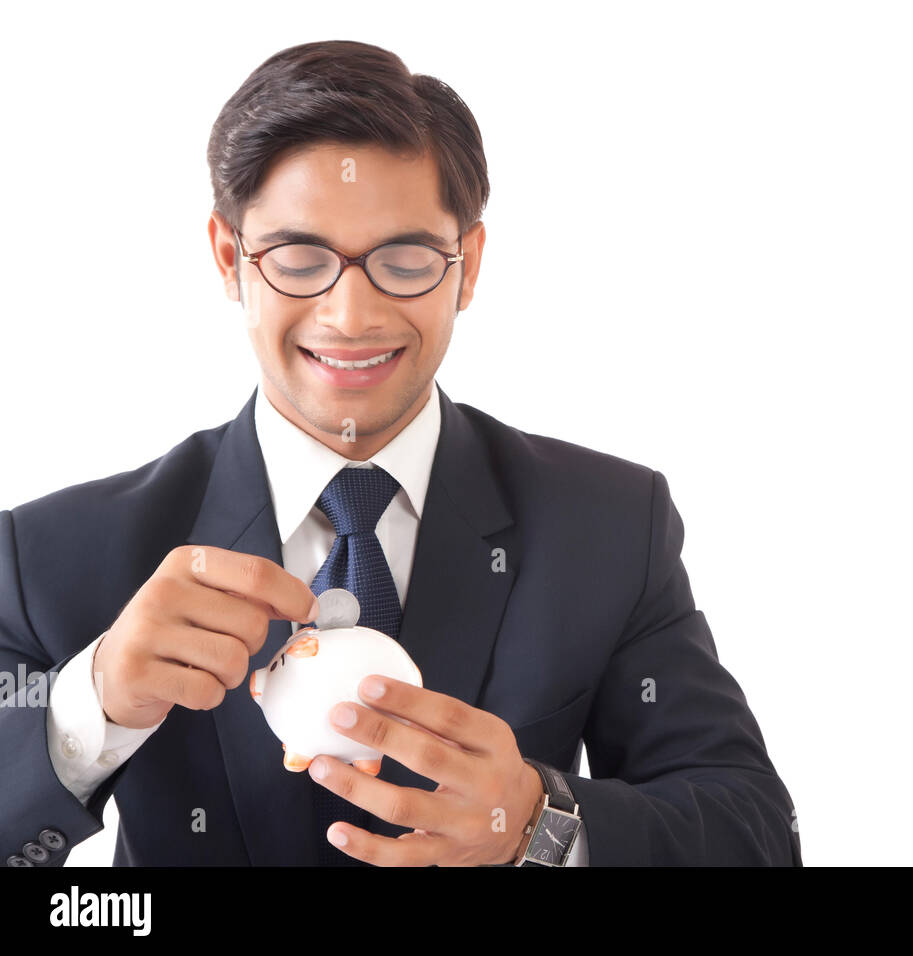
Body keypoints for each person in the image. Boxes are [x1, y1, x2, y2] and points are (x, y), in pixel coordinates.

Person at [0, 39, 800, 867]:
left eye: (406, 260)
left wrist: (539, 821)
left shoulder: (607, 526)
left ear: (469, 265)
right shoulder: (54, 554)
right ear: (231, 259)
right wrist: (87, 712)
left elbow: (756, 834)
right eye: (299, 259)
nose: (351, 315)